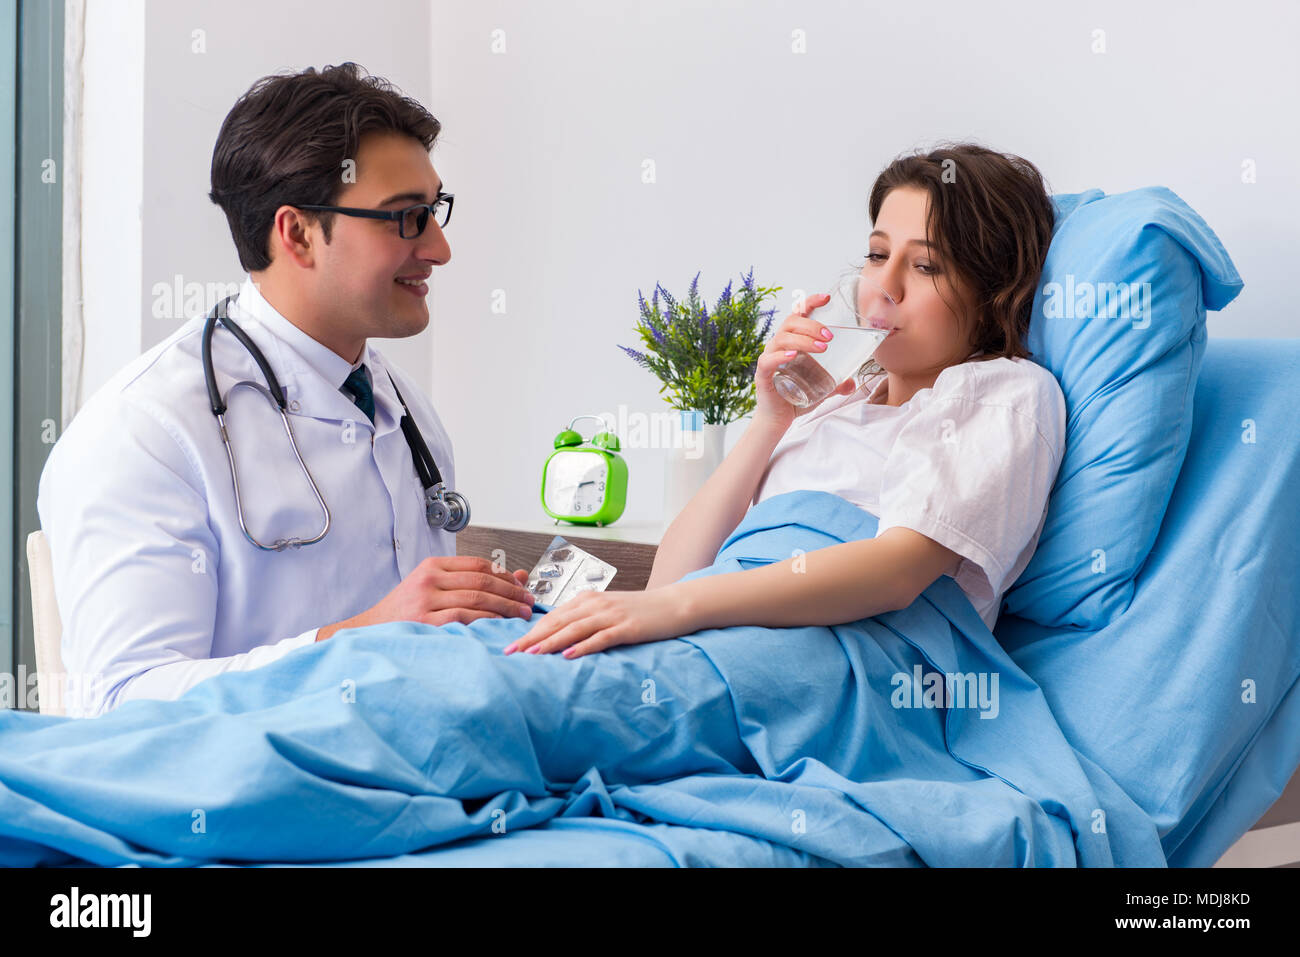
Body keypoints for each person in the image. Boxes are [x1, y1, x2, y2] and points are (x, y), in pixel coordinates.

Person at [36, 63, 536, 718]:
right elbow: (119, 705)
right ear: (296, 232)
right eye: (405, 219)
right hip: (248, 803)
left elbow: (421, 645)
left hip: (417, 772)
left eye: (434, 211)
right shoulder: (146, 432)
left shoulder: (405, 408)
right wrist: (362, 638)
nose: (439, 249)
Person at [507, 143, 1066, 656]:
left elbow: (897, 573)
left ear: (993, 297)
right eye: (876, 255)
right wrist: (769, 422)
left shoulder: (1002, 392)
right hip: (721, 635)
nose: (884, 287)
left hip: (845, 660)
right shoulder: (833, 403)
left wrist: (675, 610)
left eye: (925, 266)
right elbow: (670, 579)